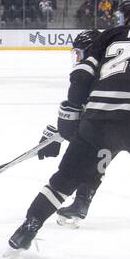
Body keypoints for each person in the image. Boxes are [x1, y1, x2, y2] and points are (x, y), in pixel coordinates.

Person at [6, 0, 130, 259]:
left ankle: (27, 230)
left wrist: (71, 116)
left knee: (64, 178)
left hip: (97, 120)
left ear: (128, 14)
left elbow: (81, 75)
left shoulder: (108, 36)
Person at [54, 29, 105, 227]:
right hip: (117, 124)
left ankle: (78, 203)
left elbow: (76, 107)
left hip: (105, 127)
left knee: (86, 159)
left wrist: (64, 130)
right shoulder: (108, 68)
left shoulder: (87, 73)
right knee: (97, 161)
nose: (77, 56)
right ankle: (81, 203)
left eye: (79, 52)